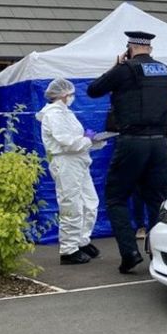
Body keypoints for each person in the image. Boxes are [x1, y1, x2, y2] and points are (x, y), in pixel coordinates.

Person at [87, 31, 167, 273]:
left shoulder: (124, 70)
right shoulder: (166, 71)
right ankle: (160, 254)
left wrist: (115, 66)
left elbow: (93, 90)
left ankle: (130, 253)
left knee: (116, 198)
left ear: (130, 48)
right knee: (156, 200)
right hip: (160, 143)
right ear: (150, 49)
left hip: (132, 143)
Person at [36, 78, 101, 265]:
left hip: (78, 161)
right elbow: (68, 142)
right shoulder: (53, 115)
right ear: (64, 94)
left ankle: (81, 240)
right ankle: (68, 249)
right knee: (71, 204)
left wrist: (94, 140)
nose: (72, 97)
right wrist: (88, 140)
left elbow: (76, 140)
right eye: (71, 94)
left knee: (89, 202)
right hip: (66, 162)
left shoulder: (65, 112)